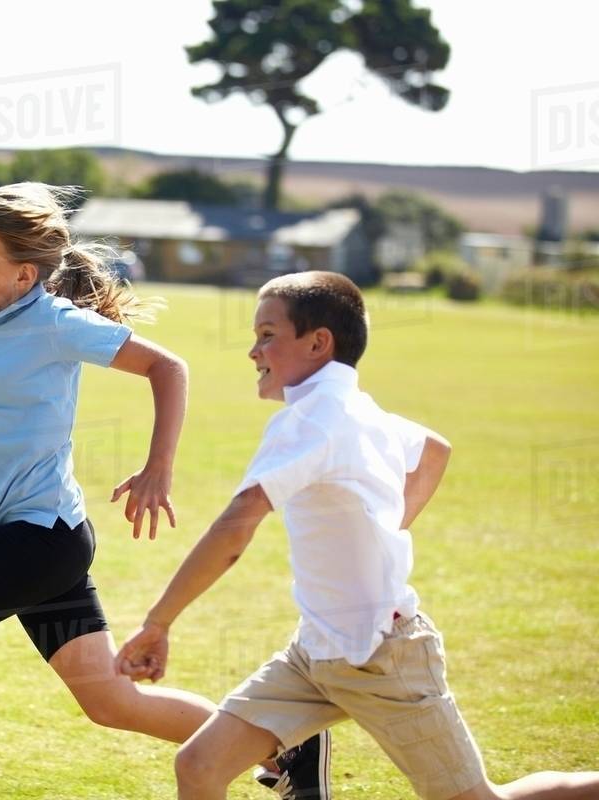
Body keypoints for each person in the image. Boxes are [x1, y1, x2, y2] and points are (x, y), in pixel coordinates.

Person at [0, 182, 326, 800]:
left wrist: (158, 467)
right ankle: (288, 740)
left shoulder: (55, 323)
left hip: (40, 537)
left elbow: (168, 368)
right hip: (27, 538)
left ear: (25, 275)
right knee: (111, 701)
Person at [116, 271, 599, 799]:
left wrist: (158, 622)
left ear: (319, 342)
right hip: (315, 653)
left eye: (268, 335)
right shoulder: (356, 409)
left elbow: (238, 524)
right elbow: (434, 448)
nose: (254, 351)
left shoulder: (313, 419)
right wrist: (386, 525)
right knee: (200, 765)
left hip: (383, 656)